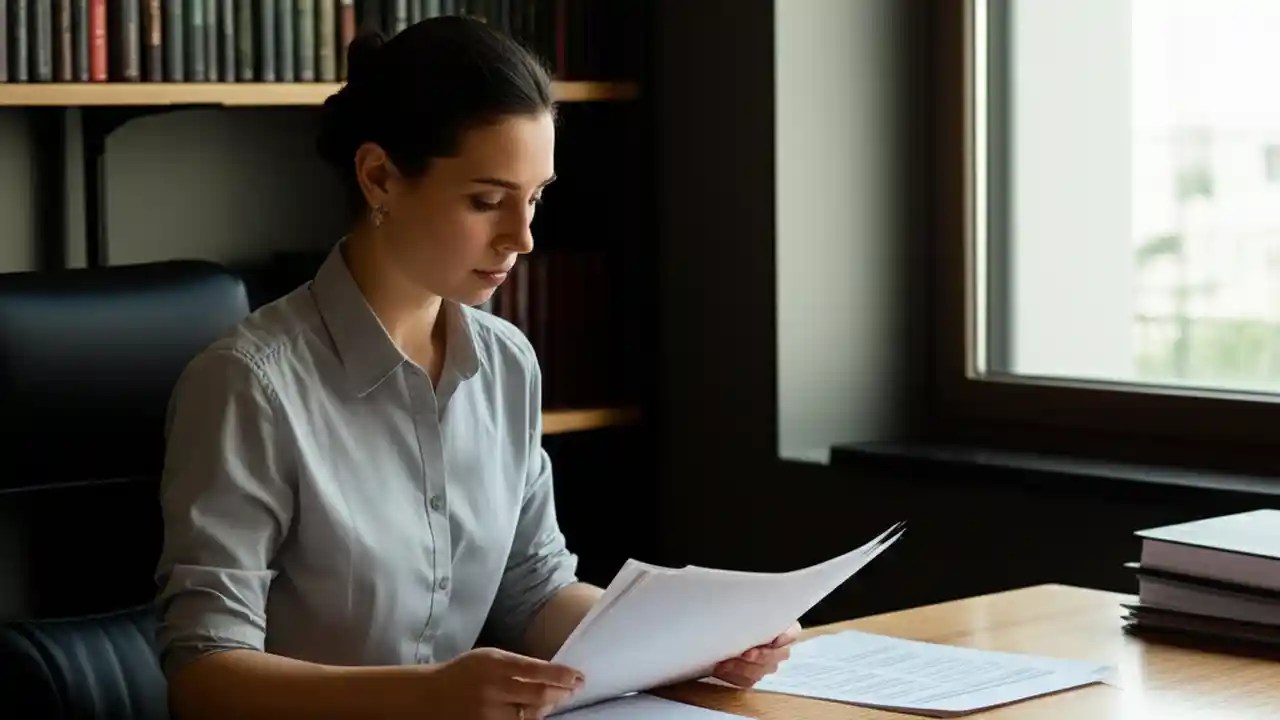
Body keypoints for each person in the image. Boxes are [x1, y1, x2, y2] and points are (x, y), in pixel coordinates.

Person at [153, 16, 799, 720]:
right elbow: (204, 674)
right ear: (379, 178)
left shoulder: (505, 361)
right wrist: (427, 696)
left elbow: (535, 590)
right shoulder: (250, 384)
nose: (521, 237)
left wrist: (699, 643)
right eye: (486, 201)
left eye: (536, 198)